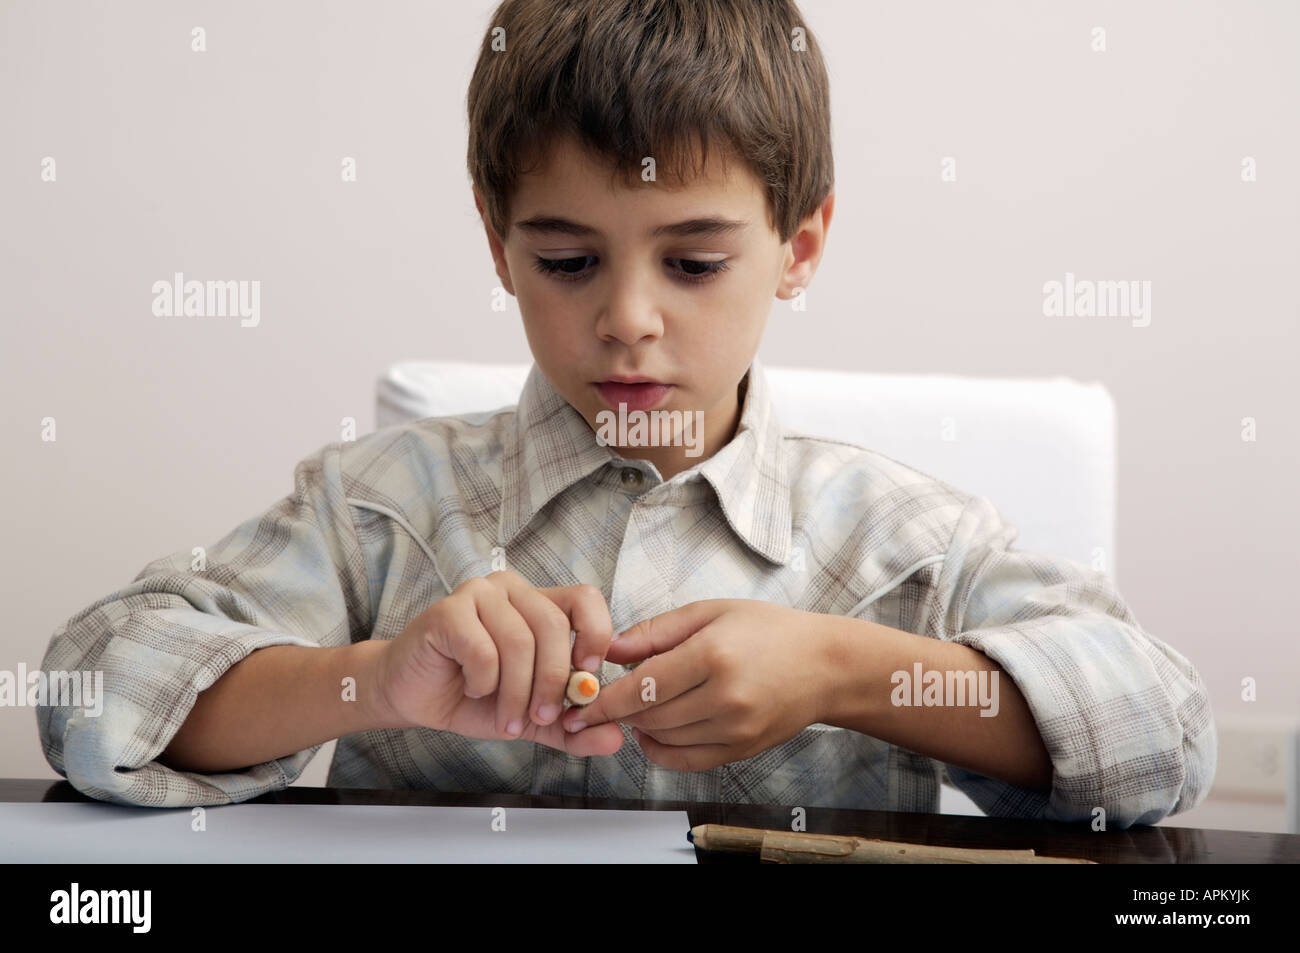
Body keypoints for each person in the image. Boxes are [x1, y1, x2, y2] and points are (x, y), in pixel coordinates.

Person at [37, 0, 1214, 828]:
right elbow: (92, 695)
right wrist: (373, 679)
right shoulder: (378, 508)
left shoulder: (901, 538)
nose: (628, 320)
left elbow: (1164, 735)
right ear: (500, 247)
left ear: (798, 247)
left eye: (694, 263)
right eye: (566, 260)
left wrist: (846, 672)